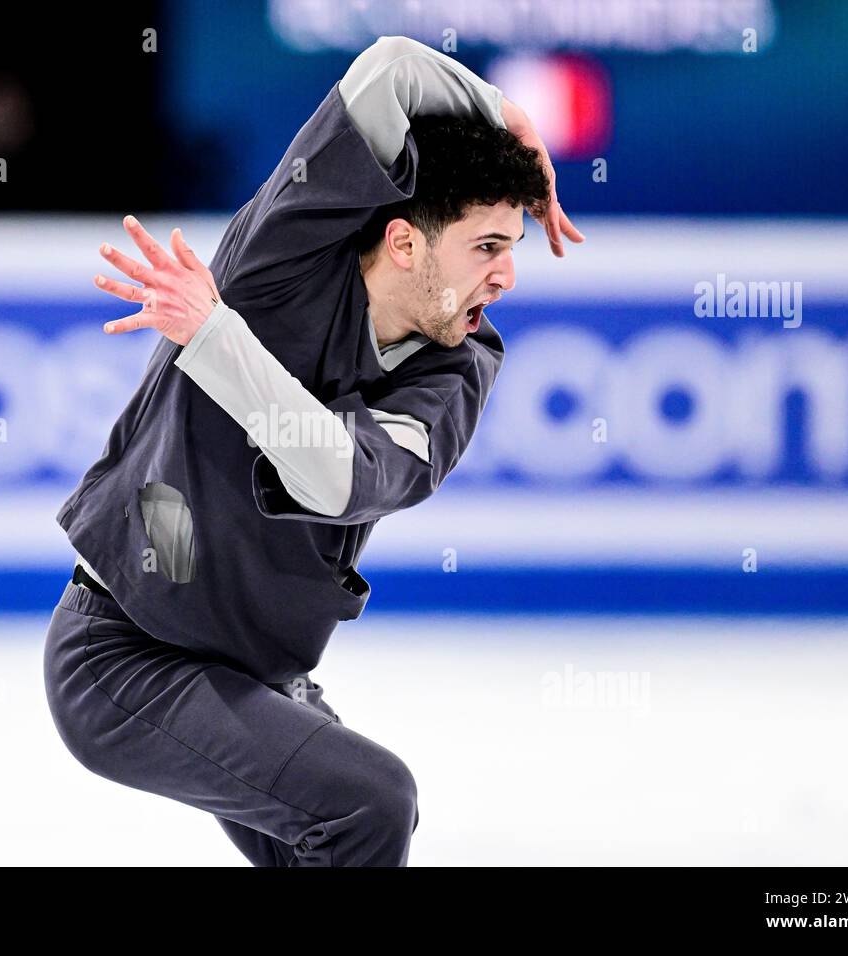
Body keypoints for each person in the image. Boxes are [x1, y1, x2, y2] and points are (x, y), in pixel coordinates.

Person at [43, 34, 582, 866]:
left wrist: (215, 338)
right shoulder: (282, 257)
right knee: (373, 802)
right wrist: (506, 113)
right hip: (124, 654)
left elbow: (337, 476)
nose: (506, 277)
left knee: (349, 830)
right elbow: (391, 66)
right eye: (487, 247)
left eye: (511, 251)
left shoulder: (459, 370)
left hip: (250, 676)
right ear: (405, 243)